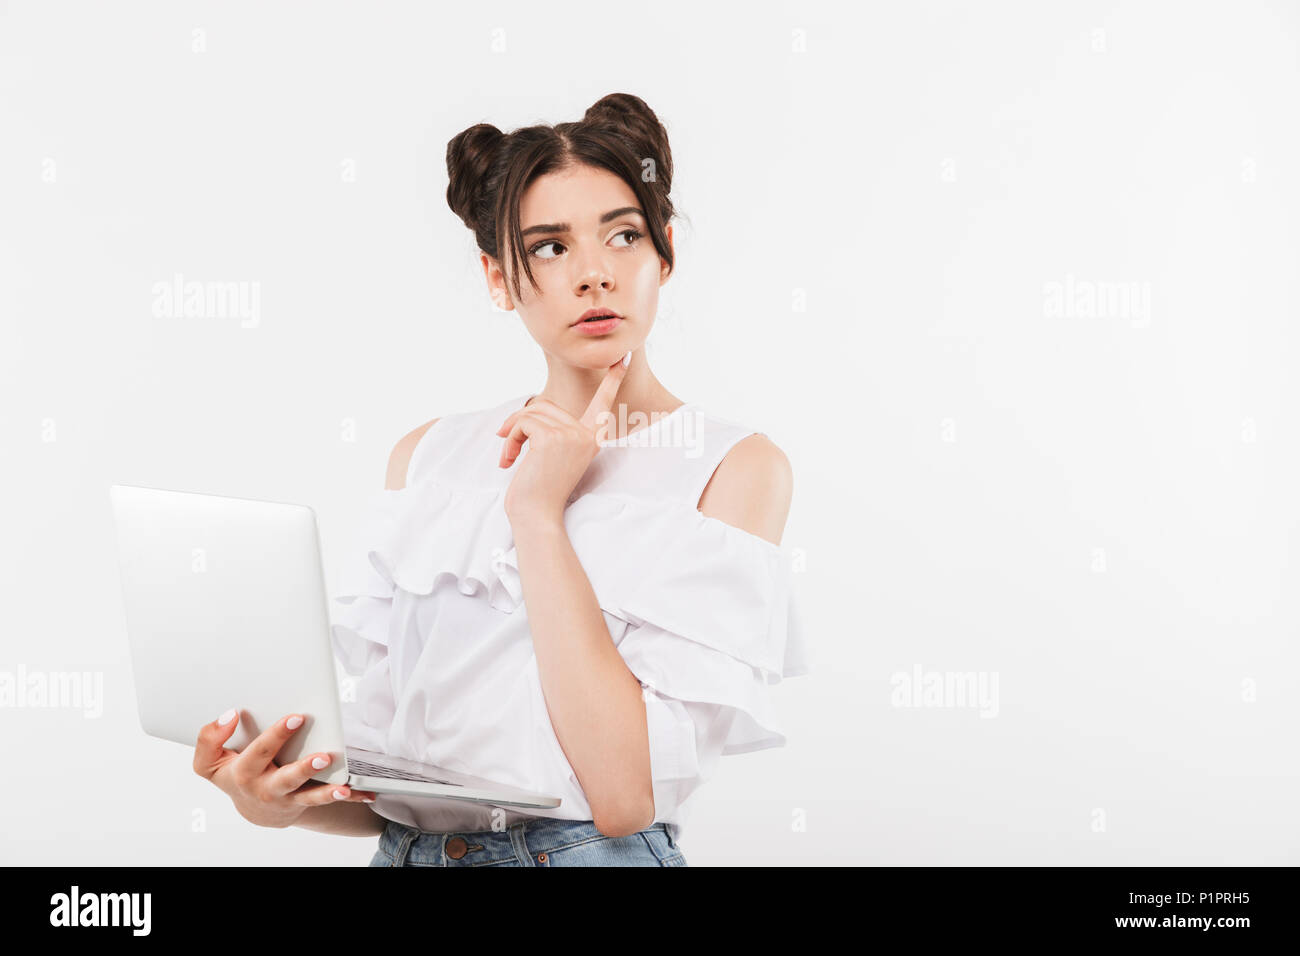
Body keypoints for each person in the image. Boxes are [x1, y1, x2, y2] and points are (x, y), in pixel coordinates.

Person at [191, 92, 809, 867]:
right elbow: (400, 793)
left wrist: (538, 514)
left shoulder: (734, 465)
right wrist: (278, 803)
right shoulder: (427, 456)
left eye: (623, 235)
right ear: (497, 277)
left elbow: (622, 796)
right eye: (549, 247)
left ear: (665, 254)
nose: (593, 274)